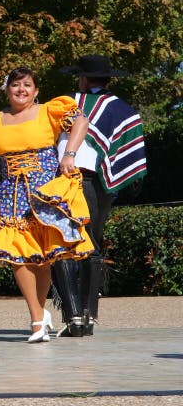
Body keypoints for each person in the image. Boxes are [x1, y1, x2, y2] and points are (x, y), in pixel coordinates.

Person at [0, 67, 94, 343]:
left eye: (27, 85)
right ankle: (37, 318)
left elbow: (81, 121)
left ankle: (41, 315)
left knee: (43, 258)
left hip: (45, 191)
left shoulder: (49, 111)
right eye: (15, 85)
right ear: (7, 89)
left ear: (36, 91)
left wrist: (69, 154)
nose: (21, 89)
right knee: (17, 255)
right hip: (13, 194)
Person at [52, 55, 147, 337]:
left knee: (62, 244)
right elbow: (129, 145)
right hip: (99, 182)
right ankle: (88, 314)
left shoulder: (64, 103)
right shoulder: (123, 110)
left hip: (63, 179)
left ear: (82, 78)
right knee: (91, 243)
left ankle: (73, 316)